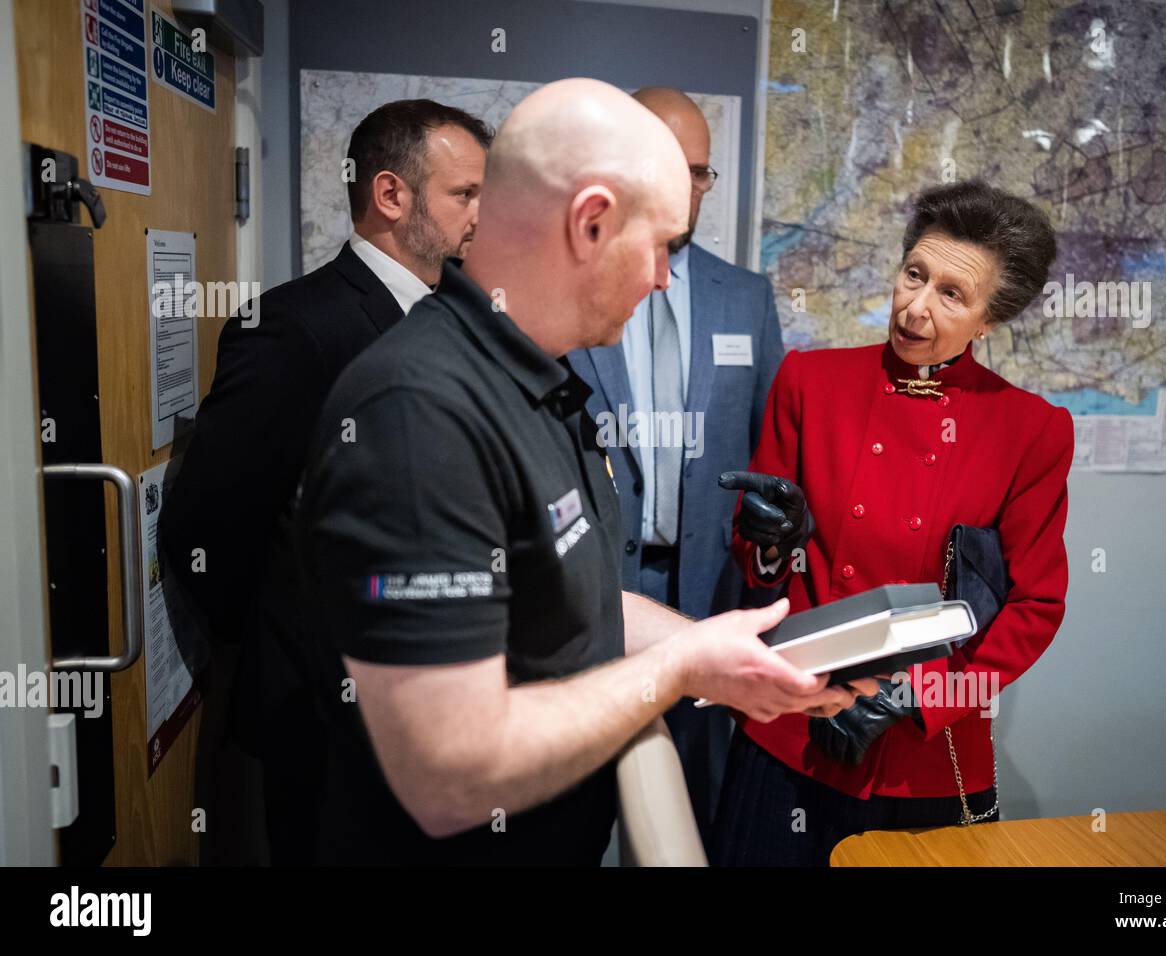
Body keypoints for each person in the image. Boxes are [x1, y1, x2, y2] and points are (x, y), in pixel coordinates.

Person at [293, 78, 856, 865]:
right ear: (591, 222)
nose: (664, 278)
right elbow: (449, 771)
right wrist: (679, 670)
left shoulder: (539, 383)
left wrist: (726, 656)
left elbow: (576, 599)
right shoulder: (417, 412)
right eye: (658, 245)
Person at [160, 99, 491, 864]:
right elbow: (208, 524)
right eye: (464, 195)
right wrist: (289, 646)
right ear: (389, 195)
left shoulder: (460, 318)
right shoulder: (292, 327)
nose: (482, 215)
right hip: (323, 716)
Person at [712, 180, 1074, 866]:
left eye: (951, 294)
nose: (915, 308)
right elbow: (759, 562)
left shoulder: (1031, 430)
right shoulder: (810, 383)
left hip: (921, 755)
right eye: (914, 275)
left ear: (990, 320)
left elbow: (1035, 607)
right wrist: (766, 544)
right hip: (790, 731)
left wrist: (919, 696)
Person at [566, 86, 785, 845]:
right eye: (673, 166)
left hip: (705, 594)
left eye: (702, 172)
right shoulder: (571, 290)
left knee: (687, 815)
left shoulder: (747, 300)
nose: (689, 188)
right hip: (591, 594)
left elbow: (769, 455)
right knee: (584, 805)